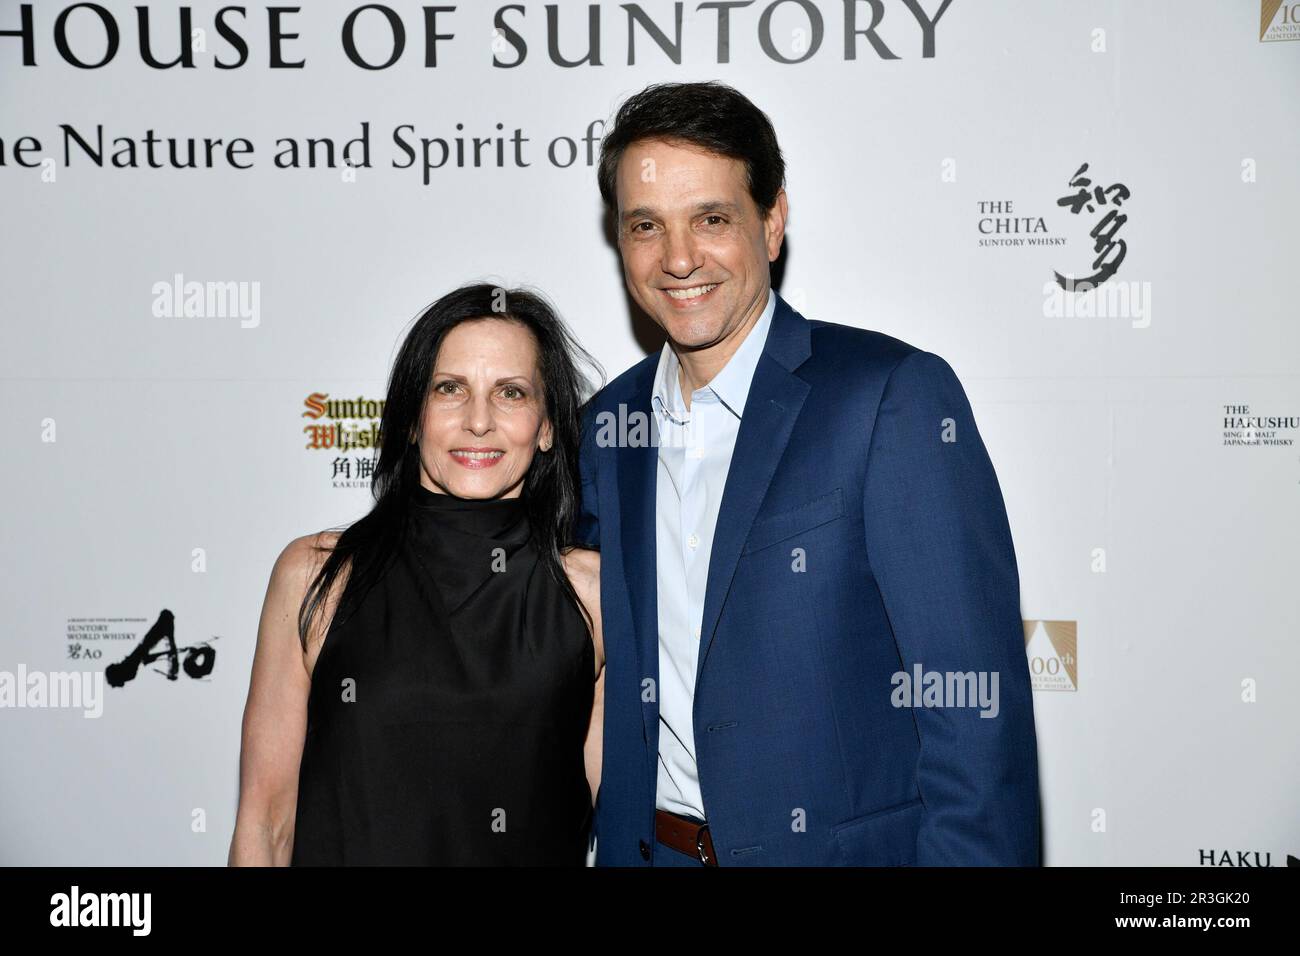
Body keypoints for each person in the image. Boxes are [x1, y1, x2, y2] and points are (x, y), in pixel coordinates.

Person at [577, 82, 1041, 866]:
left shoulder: (889, 396)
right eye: (646, 226)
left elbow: (972, 716)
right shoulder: (605, 429)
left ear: (773, 221)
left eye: (712, 219)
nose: (679, 257)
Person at [229, 283, 605, 865]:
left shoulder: (592, 594)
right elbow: (265, 823)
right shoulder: (317, 577)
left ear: (548, 426)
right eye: (450, 389)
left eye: (510, 392)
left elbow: (622, 816)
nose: (478, 421)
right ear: (411, 417)